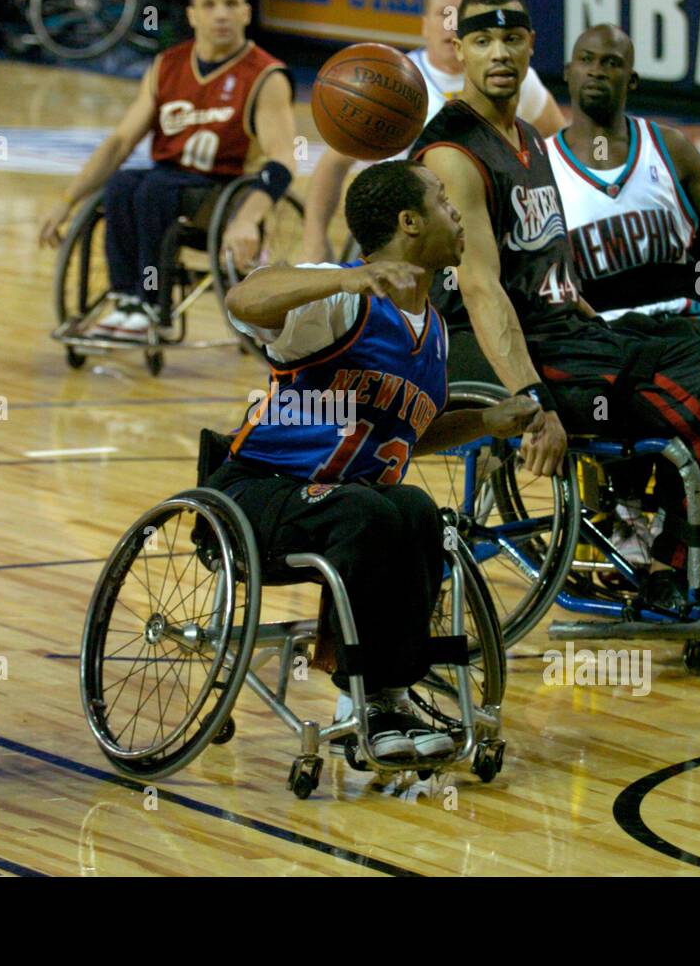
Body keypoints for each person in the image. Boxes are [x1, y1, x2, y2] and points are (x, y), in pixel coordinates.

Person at [412, 0, 700, 618]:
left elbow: (539, 258)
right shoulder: (454, 153)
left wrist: (576, 305)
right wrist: (533, 404)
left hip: (558, 332)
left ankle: (689, 571)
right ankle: (698, 580)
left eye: (510, 39)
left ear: (531, 46)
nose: (499, 53)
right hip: (490, 353)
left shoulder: (526, 138)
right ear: (461, 50)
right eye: (482, 41)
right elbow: (481, 289)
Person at [211, 159, 540, 761]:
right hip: (259, 493)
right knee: (369, 511)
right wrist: (345, 280)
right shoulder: (342, 295)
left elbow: (403, 435)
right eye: (443, 201)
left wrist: (485, 421)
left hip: (344, 506)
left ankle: (390, 697)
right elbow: (243, 299)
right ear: (409, 222)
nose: (458, 214)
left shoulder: (434, 330)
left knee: (415, 509)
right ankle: (365, 697)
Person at [547, 23, 700, 565]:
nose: (597, 71)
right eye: (587, 59)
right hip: (604, 337)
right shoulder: (542, 167)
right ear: (568, 72)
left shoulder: (669, 149)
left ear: (632, 79)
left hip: (684, 326)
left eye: (611, 63)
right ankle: (641, 521)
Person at [38, 0, 298, 342]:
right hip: (169, 182)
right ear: (192, 15)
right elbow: (119, 142)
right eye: (209, 5)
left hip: (223, 191)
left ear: (245, 13)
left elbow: (283, 160)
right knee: (122, 183)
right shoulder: (168, 65)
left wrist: (247, 220)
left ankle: (151, 305)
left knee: (154, 189)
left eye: (230, 4)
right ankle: (127, 300)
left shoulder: (266, 75)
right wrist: (67, 201)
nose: (221, 14)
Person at [300, 0, 564, 263]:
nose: (452, 24)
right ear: (424, 25)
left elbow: (560, 147)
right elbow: (333, 164)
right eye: (443, 14)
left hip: (489, 229)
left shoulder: (513, 78)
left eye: (460, 16)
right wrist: (314, 239)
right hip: (406, 236)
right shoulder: (393, 82)